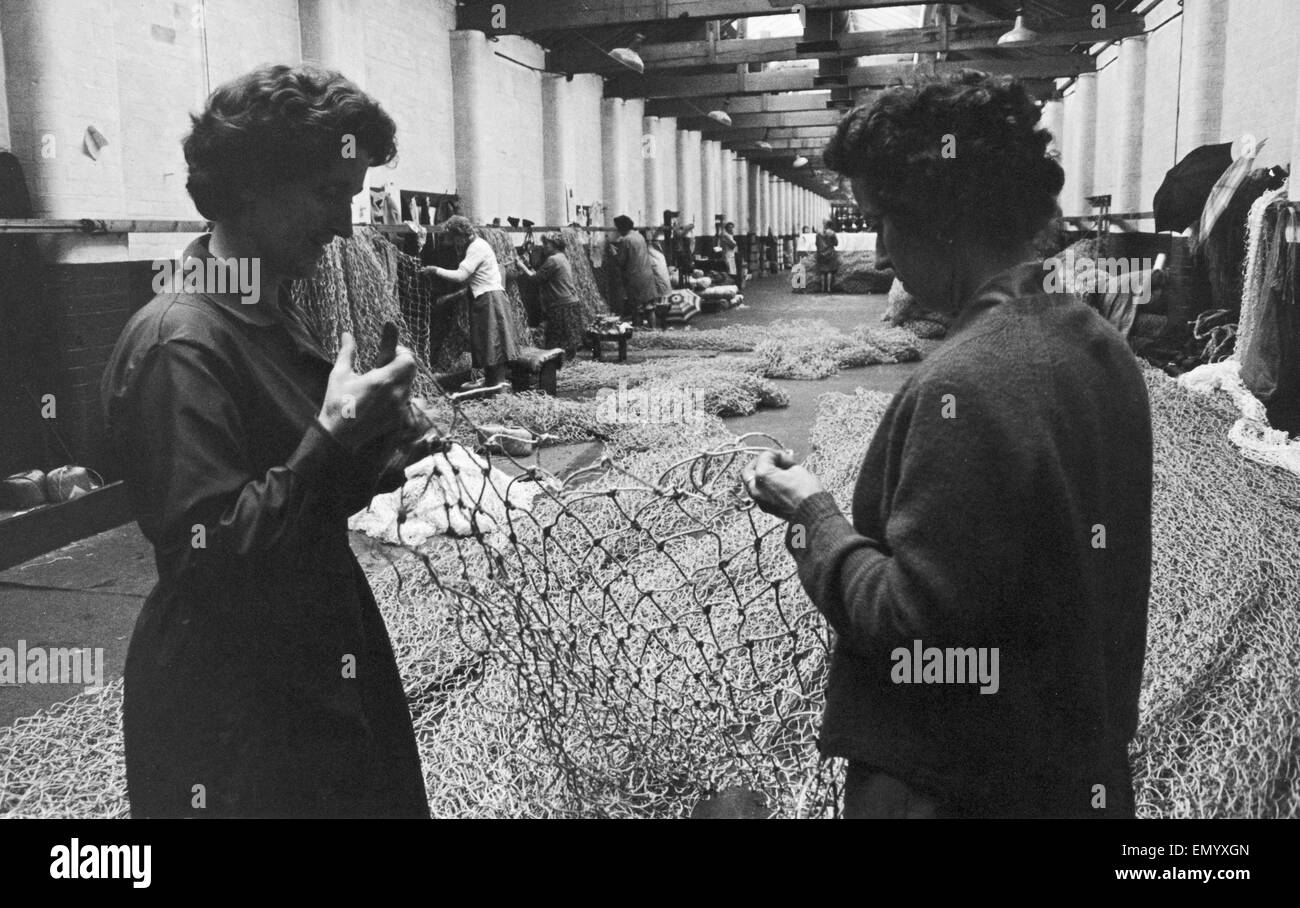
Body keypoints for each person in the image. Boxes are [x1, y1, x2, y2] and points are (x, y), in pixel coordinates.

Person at [743, 70, 1153, 819]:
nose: (885, 248)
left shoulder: (972, 383)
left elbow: (909, 624)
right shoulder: (1097, 348)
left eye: (884, 223)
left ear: (944, 224)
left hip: (955, 784)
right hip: (1068, 766)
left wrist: (811, 516)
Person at [100, 64, 430, 818]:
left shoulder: (264, 306)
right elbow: (209, 552)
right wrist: (332, 438)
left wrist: (373, 456)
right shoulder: (180, 344)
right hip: (237, 703)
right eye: (329, 196)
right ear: (251, 184)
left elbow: (285, 484)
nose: (344, 226)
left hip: (308, 658)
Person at [422, 215, 520, 387]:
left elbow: (461, 276)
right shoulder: (476, 246)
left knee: (492, 342)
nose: (455, 244)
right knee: (487, 342)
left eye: (455, 239)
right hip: (485, 297)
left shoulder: (476, 247)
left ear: (461, 234)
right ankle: (492, 381)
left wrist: (434, 270)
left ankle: (497, 384)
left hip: (490, 299)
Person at [515, 232, 584, 359]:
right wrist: (528, 265)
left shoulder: (553, 260)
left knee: (555, 339)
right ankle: (569, 363)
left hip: (560, 304)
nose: (544, 246)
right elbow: (543, 275)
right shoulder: (562, 257)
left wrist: (521, 265)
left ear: (555, 245)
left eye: (546, 244)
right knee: (569, 338)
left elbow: (535, 279)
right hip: (570, 302)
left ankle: (557, 367)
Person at [612, 214, 658, 327]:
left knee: (637, 308)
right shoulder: (639, 236)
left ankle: (638, 333)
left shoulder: (625, 240)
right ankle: (654, 331)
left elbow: (621, 261)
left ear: (622, 227)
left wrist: (614, 253)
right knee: (650, 307)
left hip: (635, 277)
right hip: (647, 274)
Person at [647, 233, 674, 329]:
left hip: (660, 282)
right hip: (662, 282)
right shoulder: (657, 252)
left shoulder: (652, 252)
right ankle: (663, 324)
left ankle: (661, 324)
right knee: (663, 302)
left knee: (660, 303)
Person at [814, 218, 840, 293]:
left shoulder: (818, 234)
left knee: (822, 271)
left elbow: (816, 244)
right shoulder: (832, 233)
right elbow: (836, 243)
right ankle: (828, 288)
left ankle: (822, 288)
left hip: (821, 254)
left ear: (824, 225)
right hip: (830, 254)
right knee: (829, 271)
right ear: (830, 225)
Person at [719, 221, 742, 289]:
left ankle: (733, 285)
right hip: (727, 254)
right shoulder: (725, 235)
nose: (731, 229)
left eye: (732, 227)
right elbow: (733, 244)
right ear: (727, 228)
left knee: (733, 270)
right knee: (729, 269)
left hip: (732, 254)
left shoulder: (730, 235)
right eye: (730, 227)